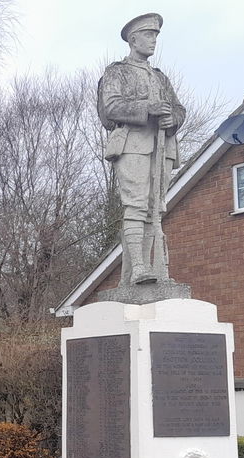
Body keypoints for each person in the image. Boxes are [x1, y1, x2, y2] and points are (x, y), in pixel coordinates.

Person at [97, 13, 186, 285]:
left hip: (162, 147)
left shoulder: (160, 78)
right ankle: (138, 268)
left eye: (156, 36)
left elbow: (179, 108)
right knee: (136, 206)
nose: (154, 40)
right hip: (133, 144)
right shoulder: (117, 72)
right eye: (149, 35)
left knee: (155, 209)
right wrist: (147, 108)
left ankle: (150, 268)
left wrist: (174, 119)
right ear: (133, 39)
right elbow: (109, 109)